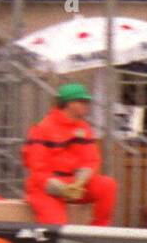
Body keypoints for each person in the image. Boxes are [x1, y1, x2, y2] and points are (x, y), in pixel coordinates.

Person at [22, 83, 117, 226]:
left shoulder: (83, 127)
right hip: (45, 188)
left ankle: (98, 231)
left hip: (73, 185)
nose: (87, 105)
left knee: (108, 185)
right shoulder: (42, 128)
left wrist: (80, 182)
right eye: (82, 101)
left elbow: (90, 160)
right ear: (68, 104)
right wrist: (60, 188)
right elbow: (37, 169)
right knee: (57, 227)